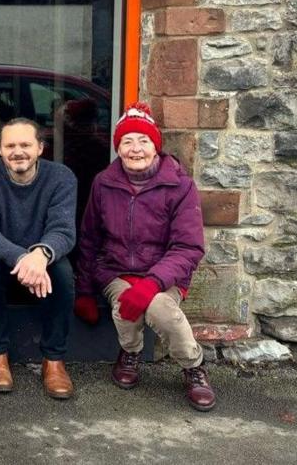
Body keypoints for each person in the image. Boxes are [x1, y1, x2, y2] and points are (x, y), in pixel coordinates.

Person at [74, 102, 214, 411]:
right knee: (126, 303)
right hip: (115, 270)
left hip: (164, 275)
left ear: (156, 146)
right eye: (127, 141)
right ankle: (131, 350)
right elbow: (89, 239)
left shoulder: (180, 186)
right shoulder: (103, 183)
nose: (135, 149)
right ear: (118, 148)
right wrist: (84, 290)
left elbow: (189, 247)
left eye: (143, 141)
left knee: (160, 308)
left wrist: (152, 283)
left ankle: (193, 366)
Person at [0, 118, 78, 398]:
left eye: (25, 145)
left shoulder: (62, 177)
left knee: (64, 274)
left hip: (43, 259)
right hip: (5, 257)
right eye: (10, 145)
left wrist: (41, 254)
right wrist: (23, 258)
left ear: (40, 148)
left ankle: (53, 360)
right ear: (0, 150)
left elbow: (63, 230)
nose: (18, 151)